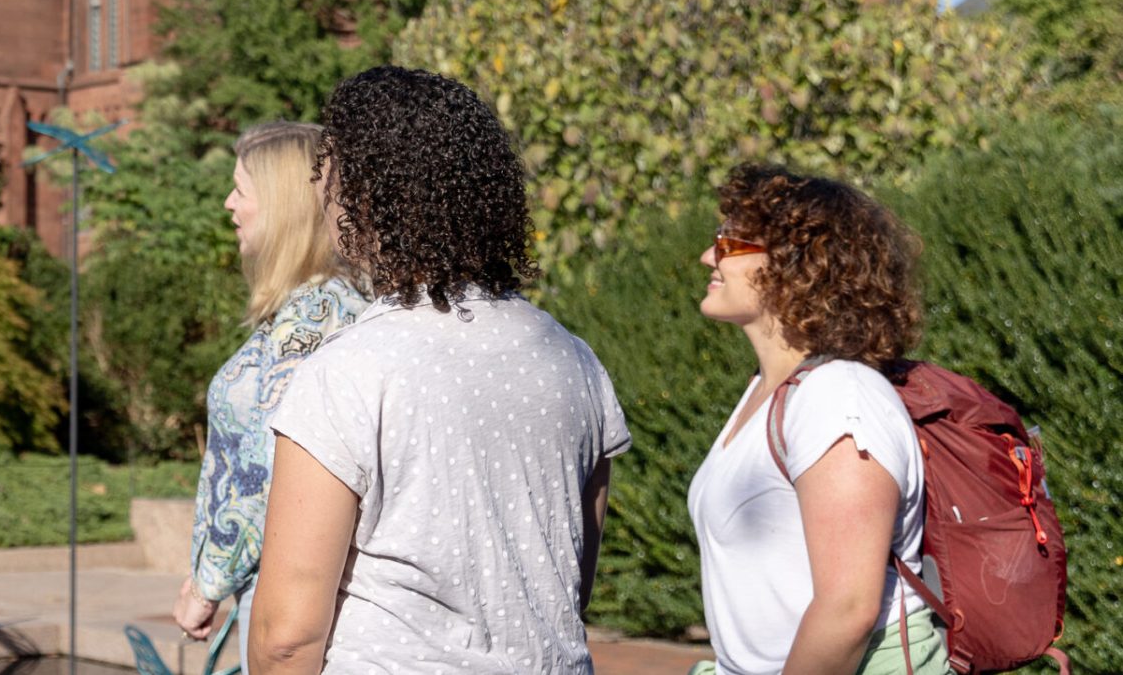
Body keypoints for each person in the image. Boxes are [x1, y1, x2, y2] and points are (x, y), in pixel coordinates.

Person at [251, 66, 630, 674]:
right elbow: (568, 582)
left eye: (331, 178)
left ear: (364, 199)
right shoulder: (574, 363)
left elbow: (286, 638)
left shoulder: (348, 372)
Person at [686, 165, 945, 675]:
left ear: (797, 265)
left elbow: (847, 610)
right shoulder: (770, 392)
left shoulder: (837, 396)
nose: (708, 256)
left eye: (732, 243)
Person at [175, 121, 368, 663]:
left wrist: (205, 584)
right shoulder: (321, 307)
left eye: (241, 189)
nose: (228, 204)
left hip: (287, 603)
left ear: (281, 204)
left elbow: (268, 473)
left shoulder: (310, 320)